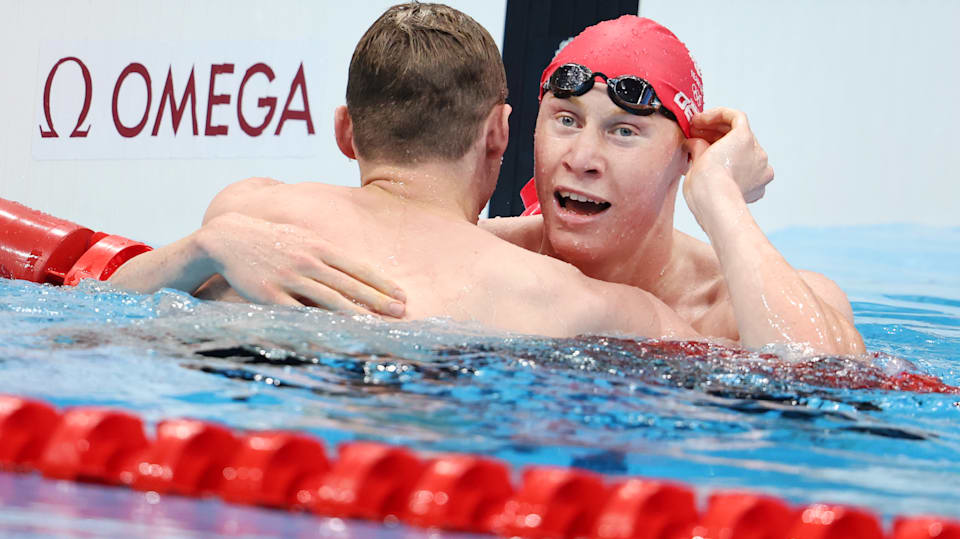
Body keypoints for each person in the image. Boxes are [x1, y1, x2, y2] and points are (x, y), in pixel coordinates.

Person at [109, 3, 698, 340]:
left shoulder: (247, 214)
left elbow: (99, 305)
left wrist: (203, 247)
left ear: (344, 132)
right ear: (500, 132)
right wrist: (717, 192)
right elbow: (785, 370)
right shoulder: (582, 306)